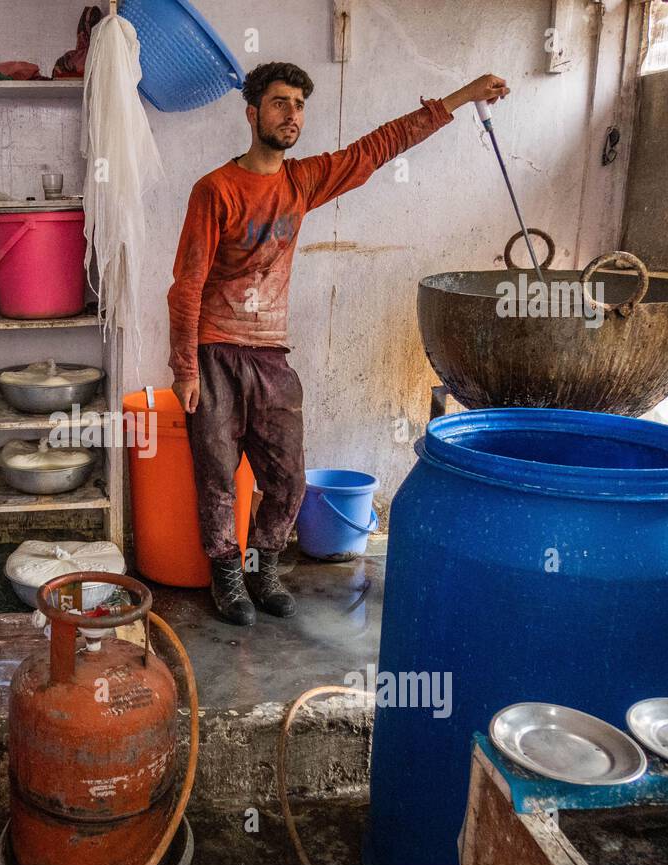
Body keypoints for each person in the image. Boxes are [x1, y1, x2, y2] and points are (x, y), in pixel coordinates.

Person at [168, 62, 509, 625]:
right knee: (217, 475)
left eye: (299, 105)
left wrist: (465, 95)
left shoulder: (301, 181)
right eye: (279, 103)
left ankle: (265, 566)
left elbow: (382, 145)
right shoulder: (215, 190)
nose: (291, 115)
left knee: (287, 476)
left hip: (271, 353)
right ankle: (227, 578)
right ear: (252, 113)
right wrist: (185, 369)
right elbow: (187, 285)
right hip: (215, 350)